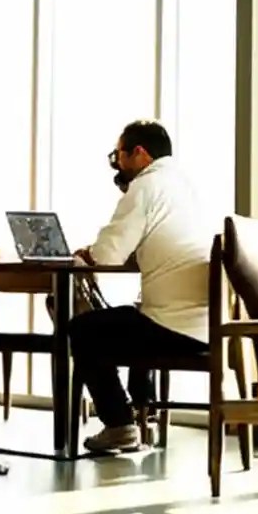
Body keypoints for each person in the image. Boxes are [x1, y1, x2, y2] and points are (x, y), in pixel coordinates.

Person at [71, 120, 212, 453]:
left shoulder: (145, 186)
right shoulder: (183, 185)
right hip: (205, 325)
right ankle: (139, 410)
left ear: (139, 153)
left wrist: (86, 254)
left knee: (82, 330)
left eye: (118, 155)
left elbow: (108, 254)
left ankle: (119, 425)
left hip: (172, 327)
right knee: (127, 315)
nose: (116, 164)